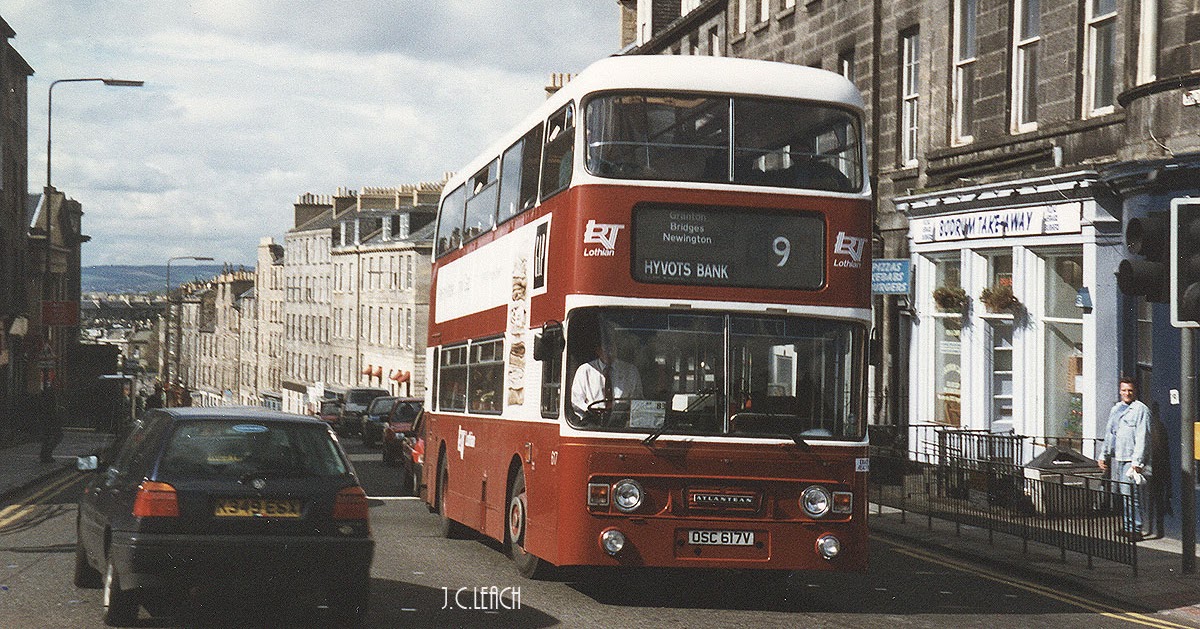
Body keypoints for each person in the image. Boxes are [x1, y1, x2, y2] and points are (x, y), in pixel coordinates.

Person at [1098, 376, 1152, 538]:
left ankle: (1136, 529)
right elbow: (1110, 434)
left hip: (1131, 459)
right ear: (1120, 391)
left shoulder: (1141, 410)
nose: (1127, 393)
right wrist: (1104, 455)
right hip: (1119, 457)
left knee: (1131, 495)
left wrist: (1137, 462)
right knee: (1124, 493)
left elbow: (1143, 436)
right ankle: (1128, 526)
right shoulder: (1116, 409)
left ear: (1135, 391)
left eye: (1130, 390)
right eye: (1124, 390)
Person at [570, 334, 642, 421]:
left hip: (623, 422)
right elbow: (576, 401)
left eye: (612, 347)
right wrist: (589, 413)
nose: (610, 352)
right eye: (606, 348)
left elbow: (637, 400)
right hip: (592, 422)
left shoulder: (630, 371)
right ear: (598, 350)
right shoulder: (585, 370)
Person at [38, 386, 62, 464]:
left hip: (48, 420)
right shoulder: (50, 397)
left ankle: (45, 454)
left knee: (48, 438)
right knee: (54, 437)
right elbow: (51, 410)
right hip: (50, 420)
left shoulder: (48, 397)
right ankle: (46, 455)